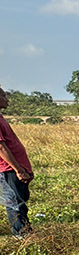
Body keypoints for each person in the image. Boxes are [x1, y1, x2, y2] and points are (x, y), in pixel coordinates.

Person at [0, 86, 34, 238]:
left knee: (20, 200)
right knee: (14, 203)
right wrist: (18, 169)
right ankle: (21, 235)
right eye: (3, 96)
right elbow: (1, 148)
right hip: (8, 170)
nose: (6, 99)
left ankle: (26, 231)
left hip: (13, 168)